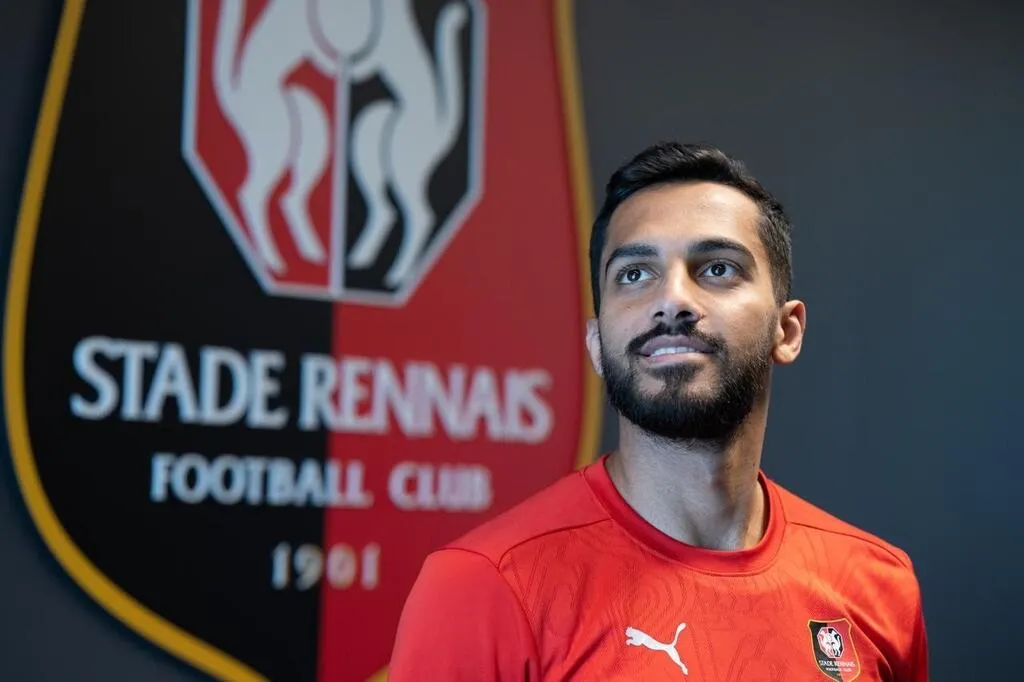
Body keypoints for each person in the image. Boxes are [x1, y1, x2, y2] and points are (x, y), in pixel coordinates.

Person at [387, 142, 929, 680]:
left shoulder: (876, 584)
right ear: (597, 344)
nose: (673, 300)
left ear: (786, 331)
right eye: (634, 274)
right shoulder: (482, 586)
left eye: (717, 268)